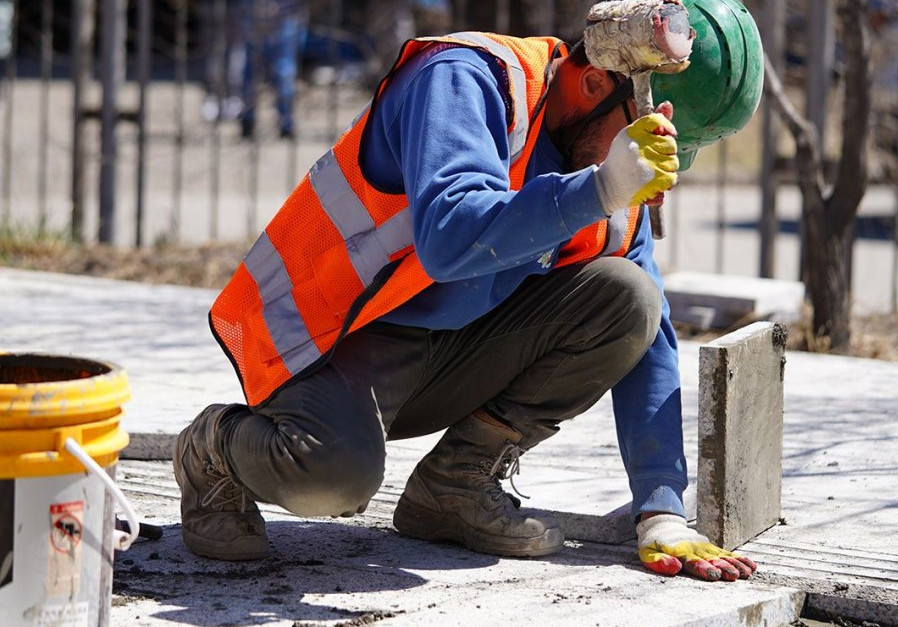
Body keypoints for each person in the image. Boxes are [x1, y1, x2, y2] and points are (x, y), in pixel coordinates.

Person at [174, 0, 764, 582]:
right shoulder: (466, 78)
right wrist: (599, 187)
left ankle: (455, 487)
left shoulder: (607, 176)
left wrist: (661, 509)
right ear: (591, 85)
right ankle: (214, 448)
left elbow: (647, 336)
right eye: (643, 134)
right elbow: (449, 237)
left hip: (445, 355)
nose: (650, 164)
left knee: (629, 296)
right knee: (332, 480)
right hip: (330, 342)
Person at [233, 0, 306, 139]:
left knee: (283, 74)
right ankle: (247, 120)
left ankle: (286, 124)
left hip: (284, 22)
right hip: (253, 22)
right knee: (249, 76)